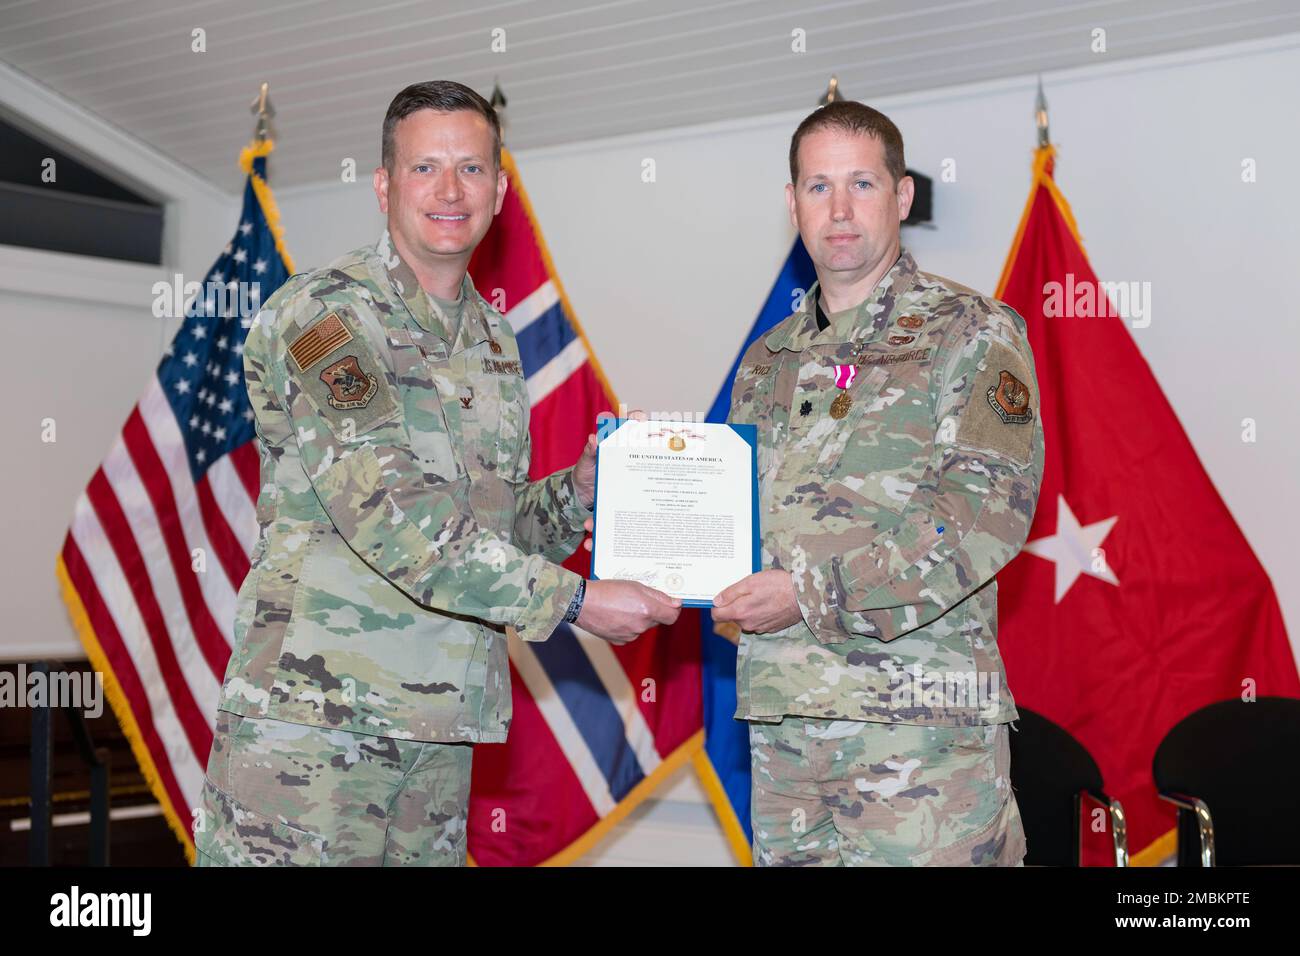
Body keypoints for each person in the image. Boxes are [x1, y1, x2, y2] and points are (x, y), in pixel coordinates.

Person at [194, 80, 680, 867]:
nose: (450, 191)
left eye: (471, 169)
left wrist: (578, 492)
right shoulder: (325, 316)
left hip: (442, 727)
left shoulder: (491, 338)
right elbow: (395, 516)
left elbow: (490, 529)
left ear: (499, 188)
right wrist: (578, 603)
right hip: (318, 730)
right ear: (385, 185)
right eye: (426, 169)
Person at [711, 100, 1045, 866]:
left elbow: (984, 510)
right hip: (785, 728)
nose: (839, 209)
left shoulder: (971, 329)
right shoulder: (768, 360)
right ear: (791, 203)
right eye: (818, 186)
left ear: (901, 196)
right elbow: (743, 519)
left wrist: (808, 592)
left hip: (920, 734)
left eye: (862, 183)